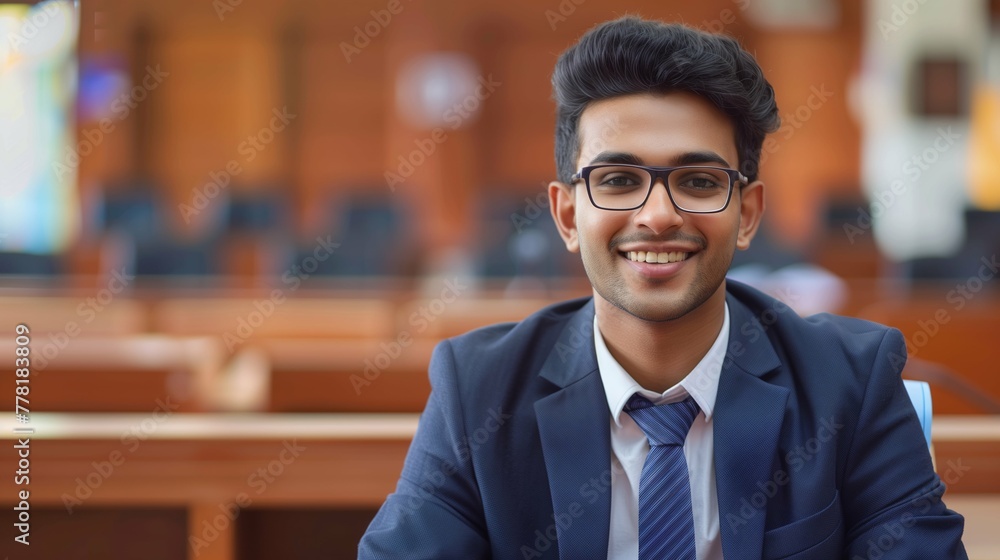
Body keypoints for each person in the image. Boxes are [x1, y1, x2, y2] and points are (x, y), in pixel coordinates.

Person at [359, 16, 968, 560]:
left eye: (699, 181)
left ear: (748, 214)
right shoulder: (479, 390)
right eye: (619, 178)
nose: (657, 215)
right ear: (568, 216)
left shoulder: (851, 384)